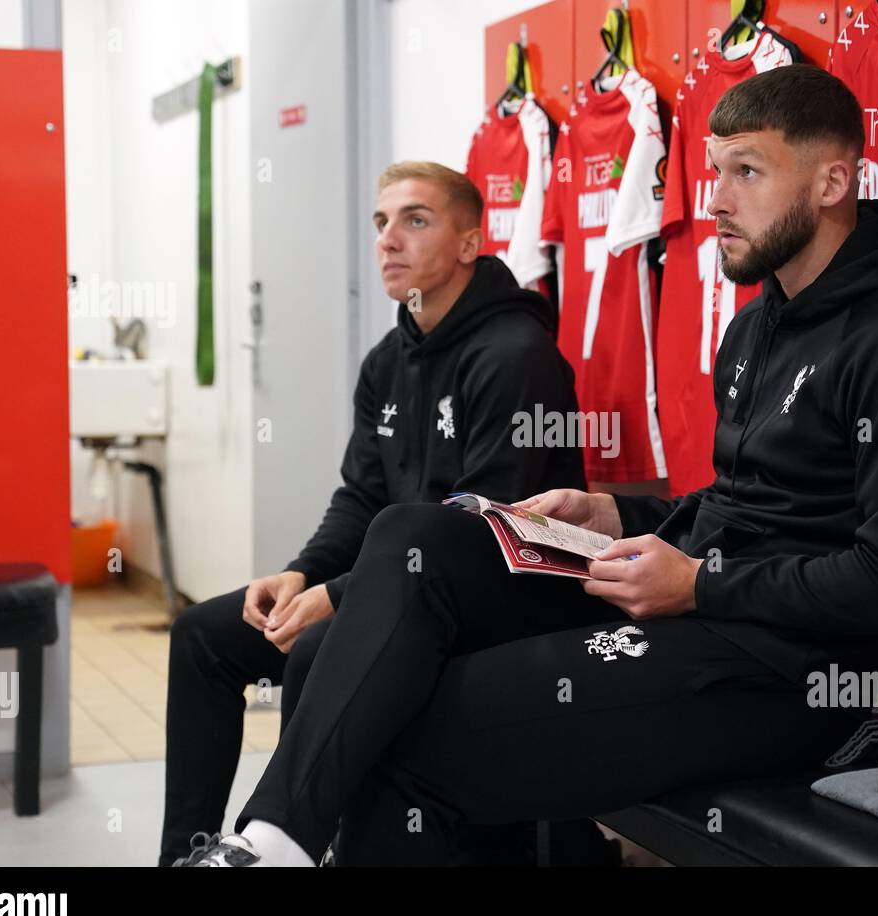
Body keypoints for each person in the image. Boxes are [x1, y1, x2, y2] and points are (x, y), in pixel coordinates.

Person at [182, 64, 878, 868]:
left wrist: (702, 585)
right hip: (703, 608)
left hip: (795, 672)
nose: (715, 198)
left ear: (832, 181)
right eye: (713, 171)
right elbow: (745, 505)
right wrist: (619, 515)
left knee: (394, 731)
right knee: (409, 541)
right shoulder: (758, 327)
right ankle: (271, 842)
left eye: (747, 171)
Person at [160, 161, 599, 866]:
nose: (389, 239)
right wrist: (305, 574)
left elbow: (482, 527)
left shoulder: (518, 355)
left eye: (415, 220)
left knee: (313, 650)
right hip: (387, 589)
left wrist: (339, 598)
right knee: (204, 637)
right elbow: (362, 498)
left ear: (467, 244)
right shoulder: (385, 360)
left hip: (507, 595)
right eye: (381, 222)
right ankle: (195, 856)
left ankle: (306, 844)